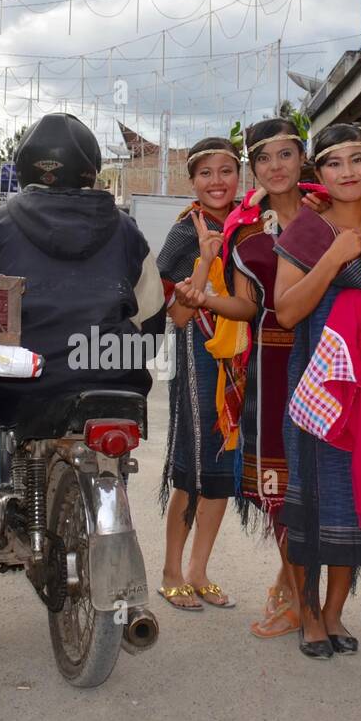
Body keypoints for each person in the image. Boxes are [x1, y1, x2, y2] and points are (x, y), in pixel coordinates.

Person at [0, 113, 166, 548]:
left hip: (20, 385)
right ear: (91, 169)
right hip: (112, 381)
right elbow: (152, 316)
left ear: (26, 166)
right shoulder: (126, 230)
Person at [172, 118, 318, 635]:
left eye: (284, 155)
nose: (275, 167)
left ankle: (297, 590)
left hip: (332, 358)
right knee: (278, 484)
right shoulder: (242, 229)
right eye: (264, 159)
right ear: (255, 169)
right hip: (270, 365)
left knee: (328, 481)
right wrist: (200, 295)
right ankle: (297, 598)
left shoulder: (331, 211)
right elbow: (246, 304)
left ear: (302, 157)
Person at [271, 123, 361, 658]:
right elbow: (288, 310)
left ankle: (338, 612)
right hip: (318, 387)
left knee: (357, 499)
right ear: (321, 175)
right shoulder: (304, 231)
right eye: (334, 163)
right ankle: (310, 613)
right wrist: (336, 256)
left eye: (357, 159)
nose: (347, 172)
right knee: (311, 501)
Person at [154, 137, 243, 610]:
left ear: (239, 176)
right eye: (206, 173)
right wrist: (208, 258)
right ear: (192, 181)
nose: (216, 182)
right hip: (200, 357)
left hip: (242, 363)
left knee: (223, 469)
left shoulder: (249, 224)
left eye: (225, 171)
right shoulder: (185, 231)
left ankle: (199, 569)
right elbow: (179, 315)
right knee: (191, 468)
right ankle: (171, 569)